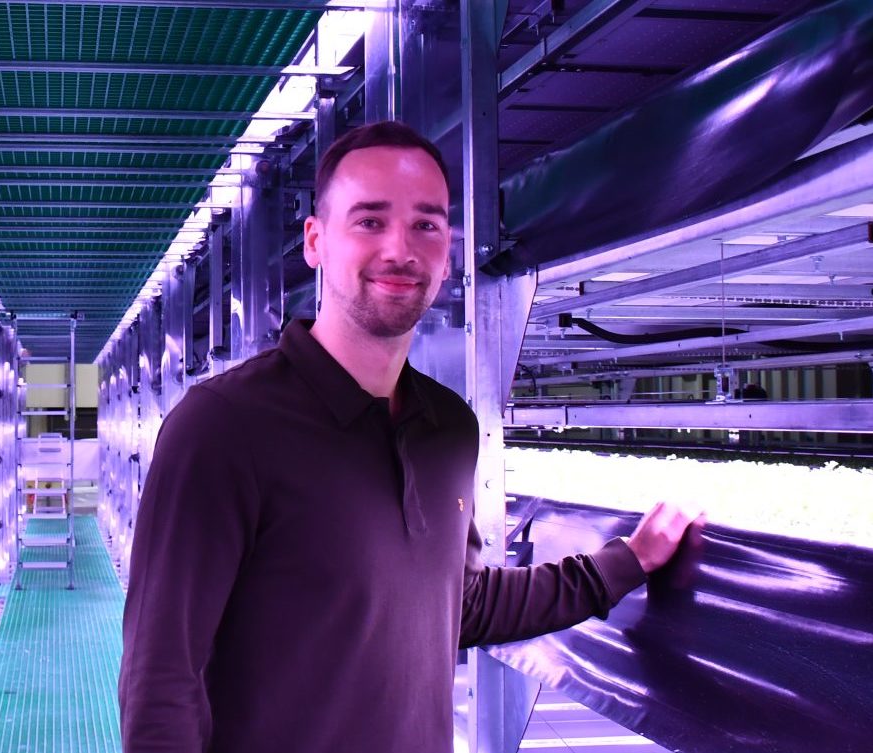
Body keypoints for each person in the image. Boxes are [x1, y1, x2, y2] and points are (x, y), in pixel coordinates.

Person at [117, 121, 703, 753]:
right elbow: (161, 683)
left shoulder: (448, 428)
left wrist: (627, 563)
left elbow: (462, 604)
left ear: (447, 251)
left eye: (426, 224)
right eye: (369, 221)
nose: (401, 248)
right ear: (315, 241)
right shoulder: (224, 427)